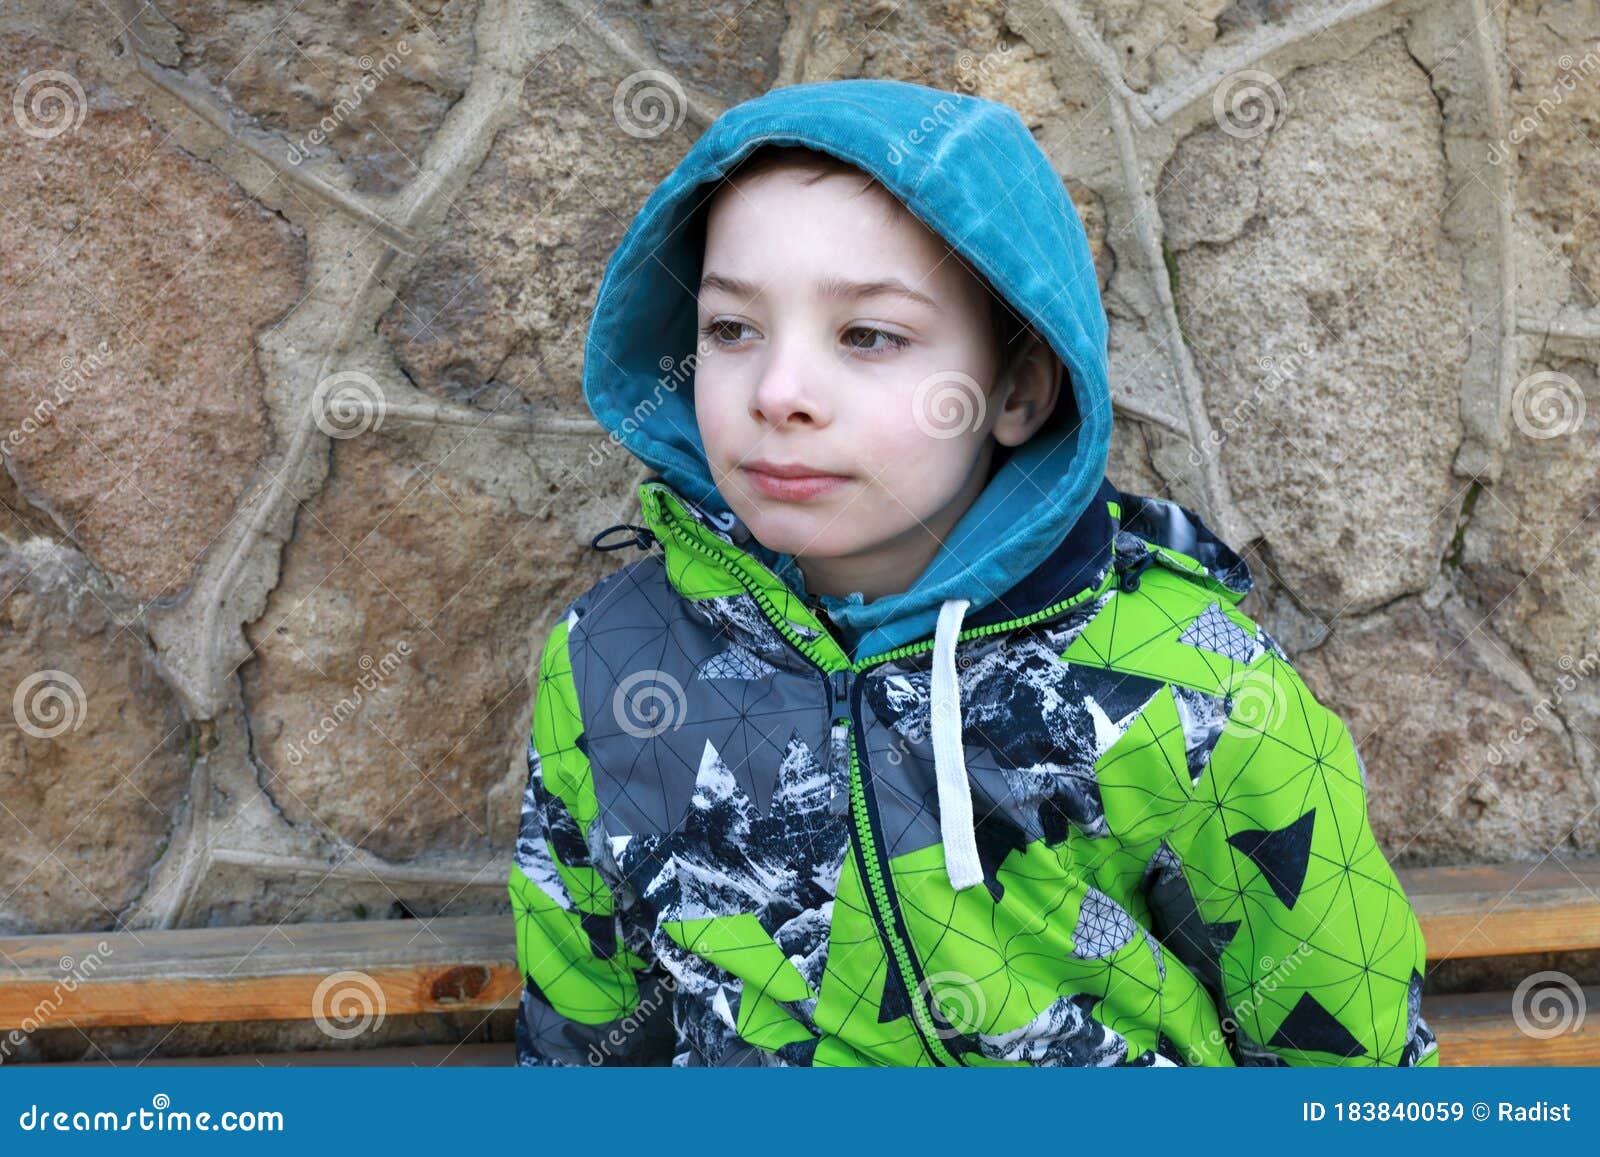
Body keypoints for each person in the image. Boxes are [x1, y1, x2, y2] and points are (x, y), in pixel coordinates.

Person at [507, 77, 1438, 1067]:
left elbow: (1350, 1050)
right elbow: (585, 1019)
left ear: (1018, 388)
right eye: (732, 329)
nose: (778, 391)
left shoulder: (1192, 680)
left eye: (868, 334)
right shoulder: (611, 657)